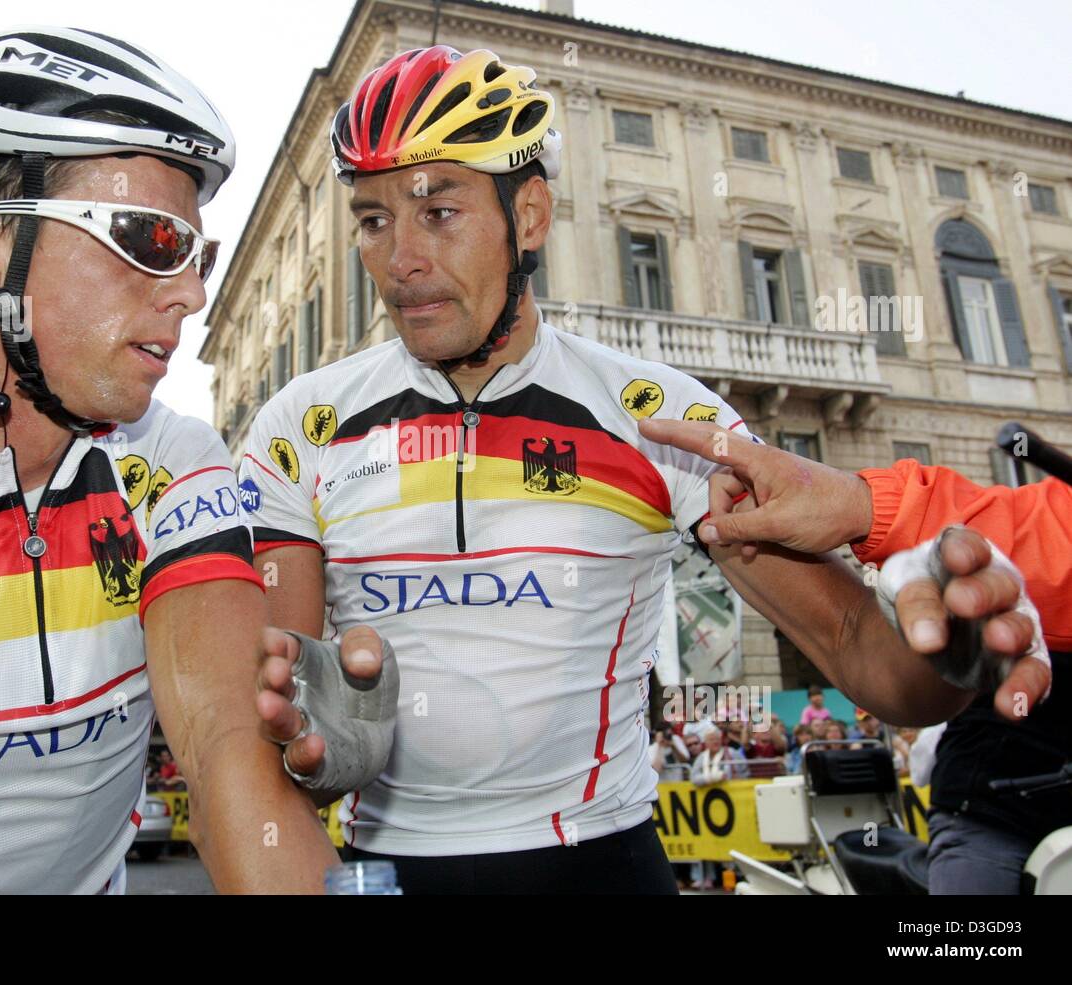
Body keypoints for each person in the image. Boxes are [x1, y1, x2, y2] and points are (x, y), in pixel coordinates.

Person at [246, 43, 1041, 895]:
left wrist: (948, 653)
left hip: (601, 864)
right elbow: (276, 700)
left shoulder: (664, 420)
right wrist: (315, 751)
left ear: (534, 216)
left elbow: (856, 649)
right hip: (381, 866)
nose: (399, 259)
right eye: (372, 219)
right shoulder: (303, 425)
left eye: (438, 212)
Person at [0, 26, 385, 894]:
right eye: (152, 238)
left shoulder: (169, 459)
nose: (193, 294)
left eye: (197, 255)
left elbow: (221, 755)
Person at [637, 419, 1068, 893]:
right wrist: (871, 511)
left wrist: (868, 509)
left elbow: (856, 636)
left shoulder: (681, 418)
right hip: (996, 819)